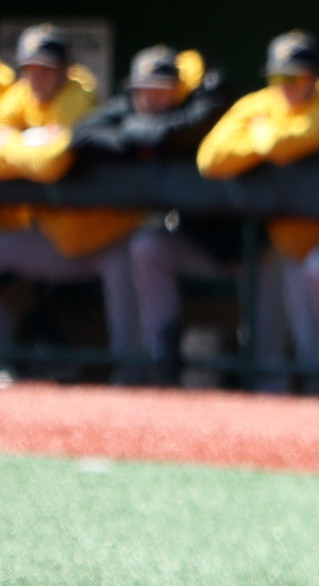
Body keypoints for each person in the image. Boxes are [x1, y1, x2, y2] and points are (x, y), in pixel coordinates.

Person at [197, 30, 319, 394]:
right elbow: (210, 158)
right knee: (309, 351)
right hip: (294, 246)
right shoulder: (257, 104)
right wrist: (266, 137)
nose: (284, 85)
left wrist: (261, 136)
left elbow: (283, 146)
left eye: (294, 75)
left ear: (315, 77)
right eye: (277, 75)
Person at [71, 44, 231, 383]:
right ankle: (162, 365)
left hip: (242, 241)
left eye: (161, 90)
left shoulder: (201, 105)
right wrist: (136, 139)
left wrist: (140, 135)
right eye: (143, 90)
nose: (150, 99)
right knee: (146, 247)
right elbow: (81, 136)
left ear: (177, 90)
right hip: (190, 237)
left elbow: (186, 127)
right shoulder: (129, 109)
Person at [0, 24, 145, 380]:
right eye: (29, 69)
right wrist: (27, 140)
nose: (36, 78)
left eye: (46, 70)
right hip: (59, 239)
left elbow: (50, 163)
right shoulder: (21, 96)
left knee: (128, 327)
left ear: (65, 69)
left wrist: (8, 140)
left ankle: (135, 381)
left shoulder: (78, 96)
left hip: (110, 235)